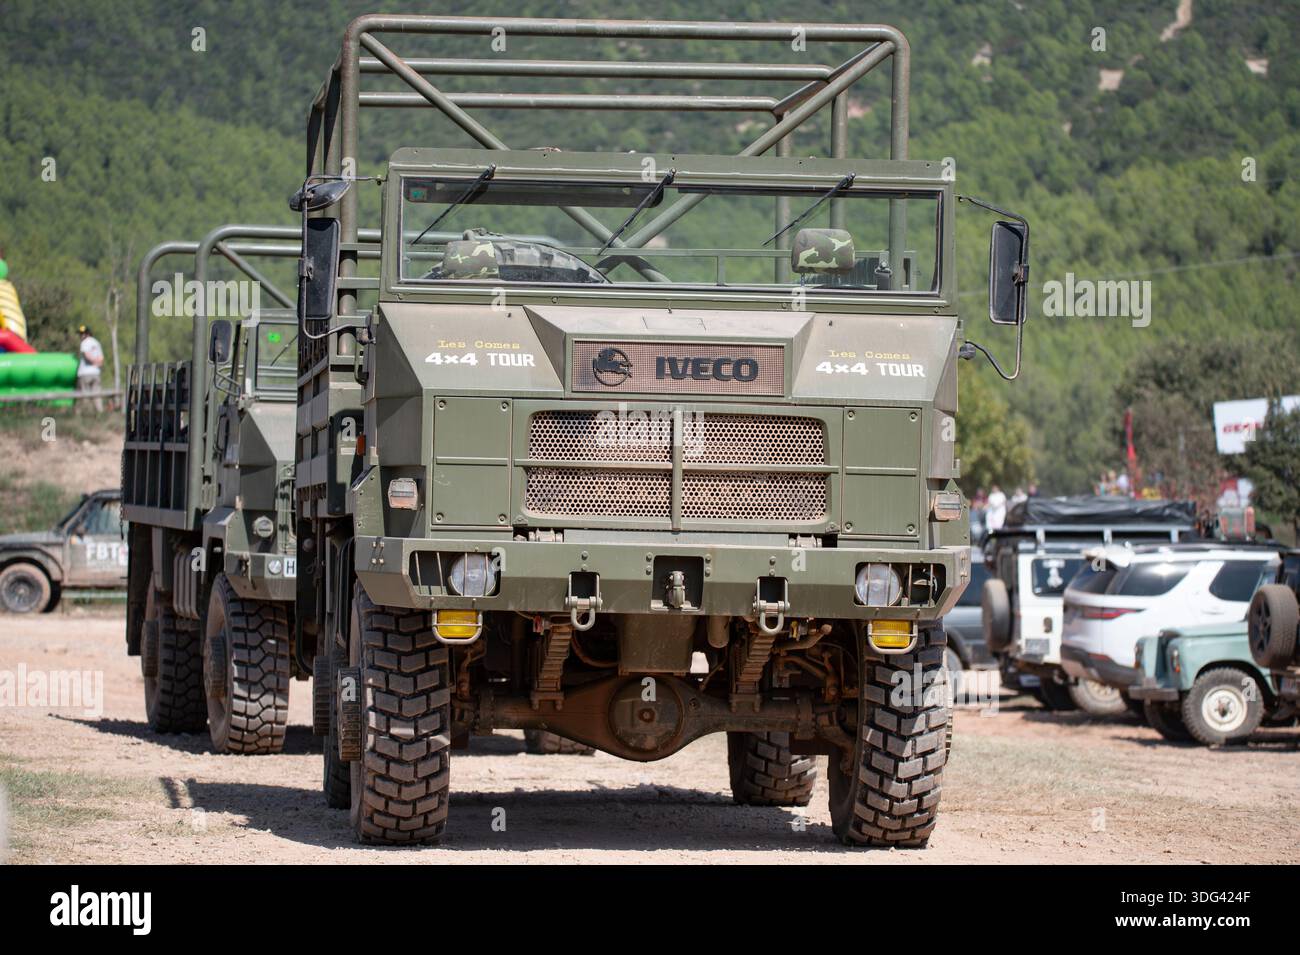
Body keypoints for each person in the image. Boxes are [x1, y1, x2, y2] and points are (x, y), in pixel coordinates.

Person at [77, 324, 105, 412]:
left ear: (87, 334)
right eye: (80, 334)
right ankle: (100, 413)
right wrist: (97, 363)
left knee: (85, 396)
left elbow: (86, 355)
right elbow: (101, 359)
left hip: (85, 373)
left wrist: (93, 362)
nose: (81, 336)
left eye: (82, 334)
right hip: (96, 373)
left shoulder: (85, 342)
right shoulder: (96, 342)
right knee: (97, 396)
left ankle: (87, 415)